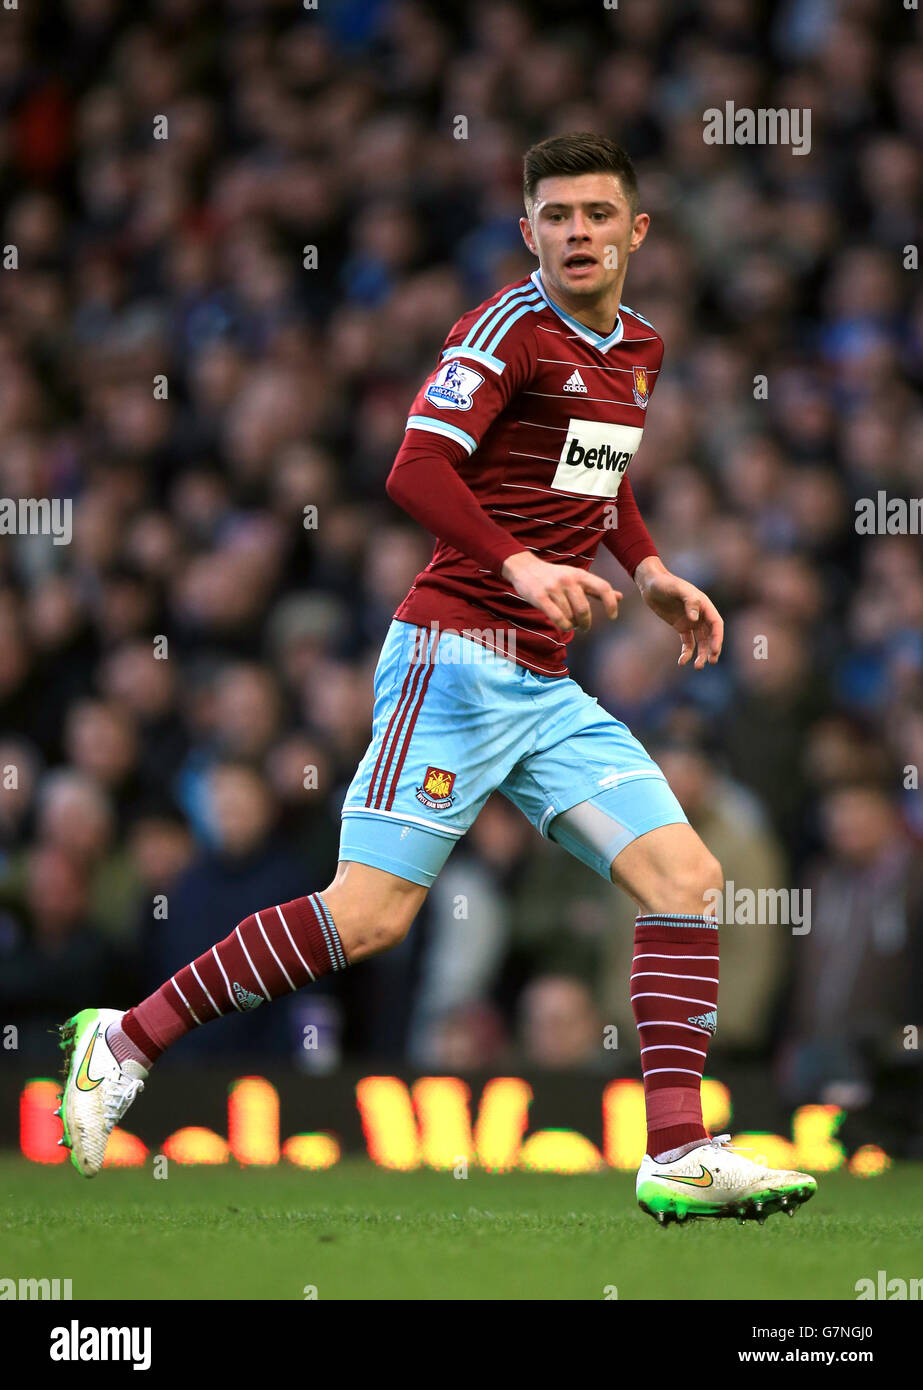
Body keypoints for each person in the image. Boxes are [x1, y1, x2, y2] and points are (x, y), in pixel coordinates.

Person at [58, 132, 815, 1224]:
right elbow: (413, 467)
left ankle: (677, 1153)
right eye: (556, 215)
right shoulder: (503, 331)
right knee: (367, 917)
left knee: (686, 879)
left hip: (543, 682)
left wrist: (646, 569)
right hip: (452, 659)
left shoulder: (638, 348)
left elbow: (596, 474)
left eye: (598, 213)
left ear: (637, 230)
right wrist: (517, 564)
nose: (578, 233)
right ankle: (124, 1040)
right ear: (527, 231)